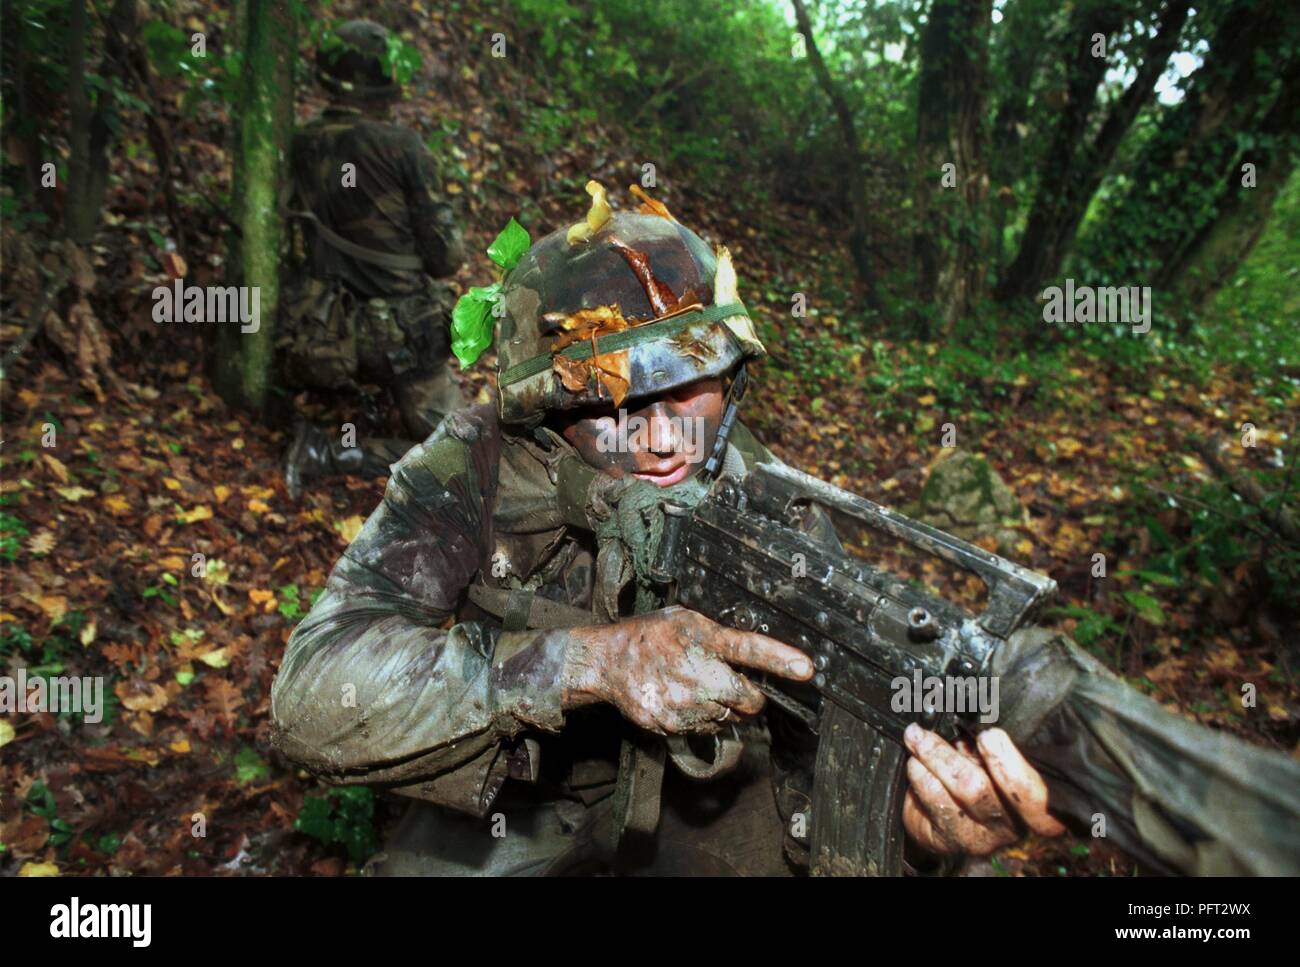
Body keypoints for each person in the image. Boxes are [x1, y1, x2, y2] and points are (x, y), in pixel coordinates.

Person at [270, 190, 1072, 875]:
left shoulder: (764, 499)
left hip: (705, 789)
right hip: (512, 788)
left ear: (732, 375)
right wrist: (582, 662)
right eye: (614, 402)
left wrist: (917, 832)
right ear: (543, 408)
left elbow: (825, 743)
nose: (661, 439)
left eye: (690, 388)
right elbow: (311, 697)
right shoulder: (473, 464)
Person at [279, 19, 466, 499]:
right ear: (387, 84)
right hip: (395, 337)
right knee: (468, 453)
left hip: (320, 331)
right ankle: (327, 451)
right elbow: (447, 258)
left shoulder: (297, 143)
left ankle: (339, 431)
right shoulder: (403, 148)